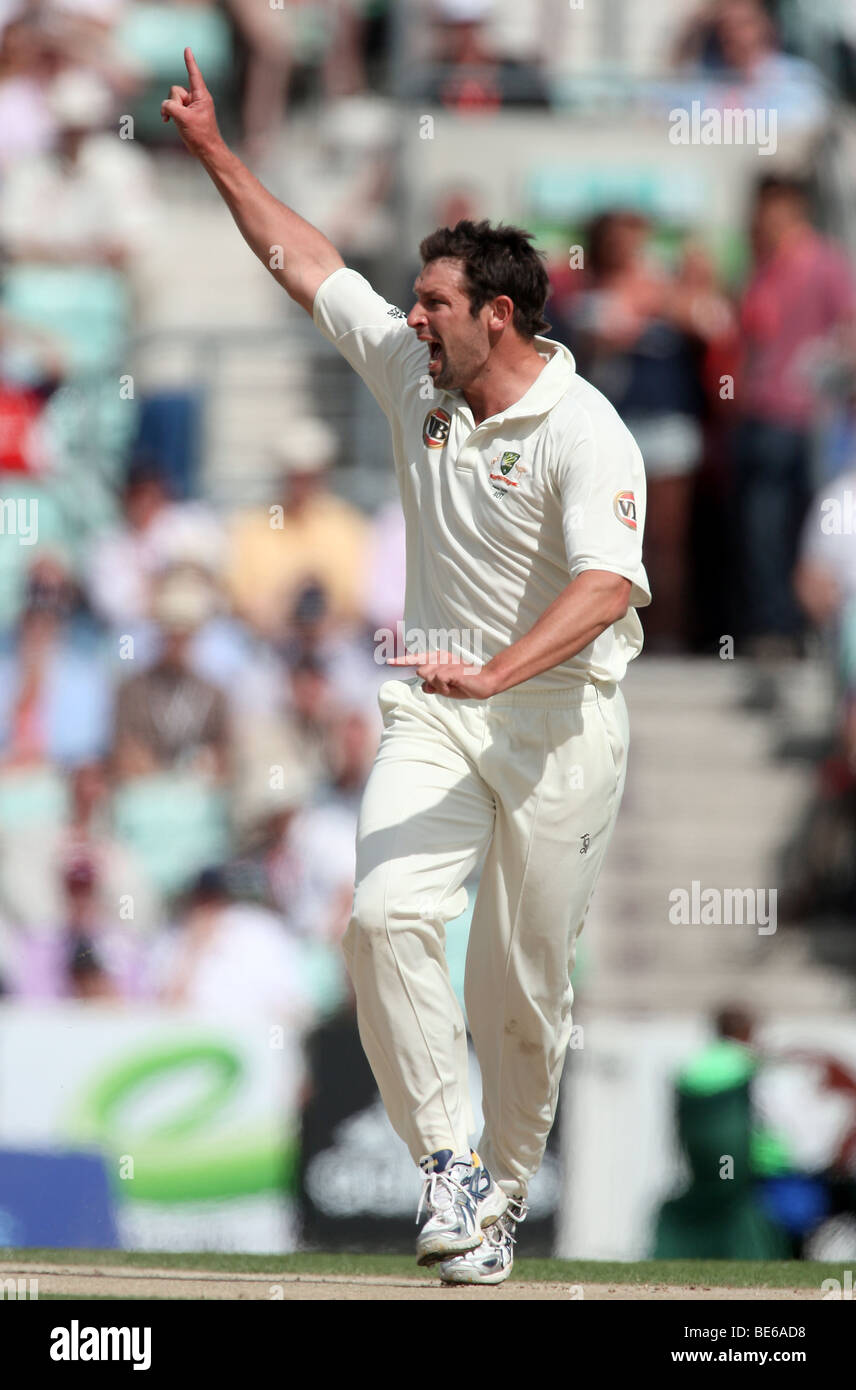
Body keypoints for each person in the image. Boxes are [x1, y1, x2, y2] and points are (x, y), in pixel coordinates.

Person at [162, 48, 650, 1285]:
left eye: (432, 302)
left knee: (522, 999)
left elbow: (606, 588)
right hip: (437, 711)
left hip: (559, 728)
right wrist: (220, 151)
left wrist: (501, 674)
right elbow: (308, 264)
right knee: (381, 919)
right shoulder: (412, 374)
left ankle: (505, 1199)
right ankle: (447, 1163)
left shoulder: (586, 430)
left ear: (498, 315)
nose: (409, 315)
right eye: (414, 302)